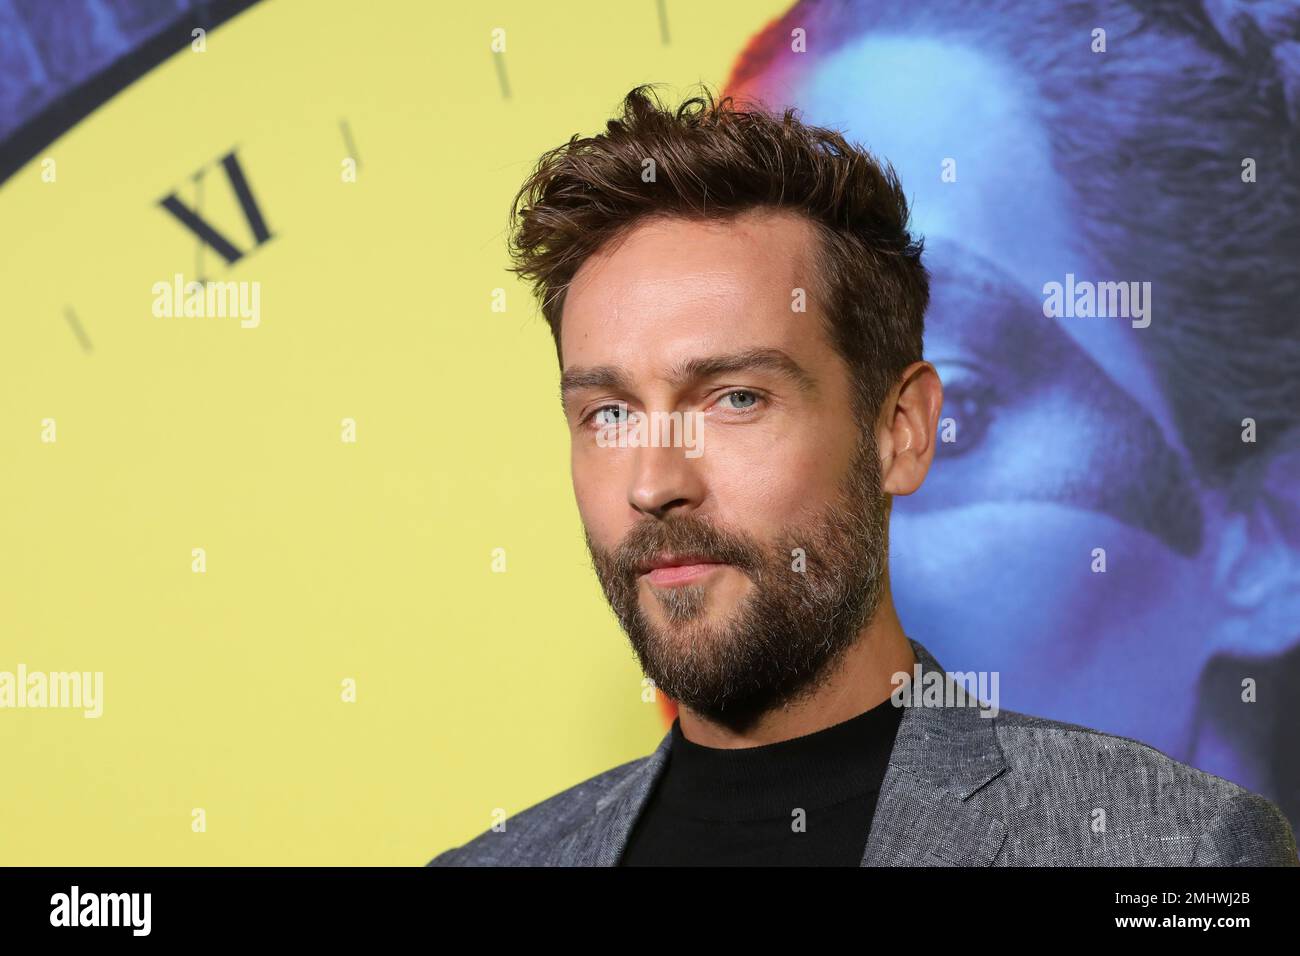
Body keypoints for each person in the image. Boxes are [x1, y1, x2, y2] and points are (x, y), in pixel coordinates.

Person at [428, 84, 1297, 866]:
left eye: (734, 398)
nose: (654, 483)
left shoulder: (1168, 854)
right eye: (609, 414)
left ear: (903, 431)